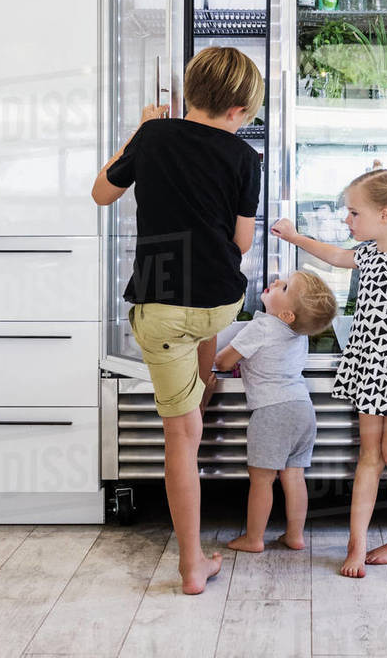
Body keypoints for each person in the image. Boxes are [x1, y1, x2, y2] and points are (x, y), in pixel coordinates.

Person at [91, 46, 264, 595]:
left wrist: (138, 132)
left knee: (179, 438)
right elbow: (241, 243)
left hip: (163, 309)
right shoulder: (246, 158)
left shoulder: (154, 136)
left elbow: (102, 193)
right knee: (202, 333)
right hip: (219, 303)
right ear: (238, 111)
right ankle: (200, 393)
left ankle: (192, 566)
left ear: (189, 92)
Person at [271, 167, 387, 579]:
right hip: (369, 368)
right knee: (369, 456)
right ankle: (357, 543)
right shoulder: (367, 254)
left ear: (385, 215)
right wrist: (294, 237)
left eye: (353, 213)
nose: (347, 220)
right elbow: (333, 255)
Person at [214, 270, 337, 553]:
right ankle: (295, 535)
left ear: (287, 315)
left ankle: (254, 538)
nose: (276, 281)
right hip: (302, 408)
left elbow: (222, 362)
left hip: (273, 411)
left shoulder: (262, 327)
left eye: (284, 287)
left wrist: (222, 354)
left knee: (262, 479)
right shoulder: (298, 334)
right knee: (294, 476)